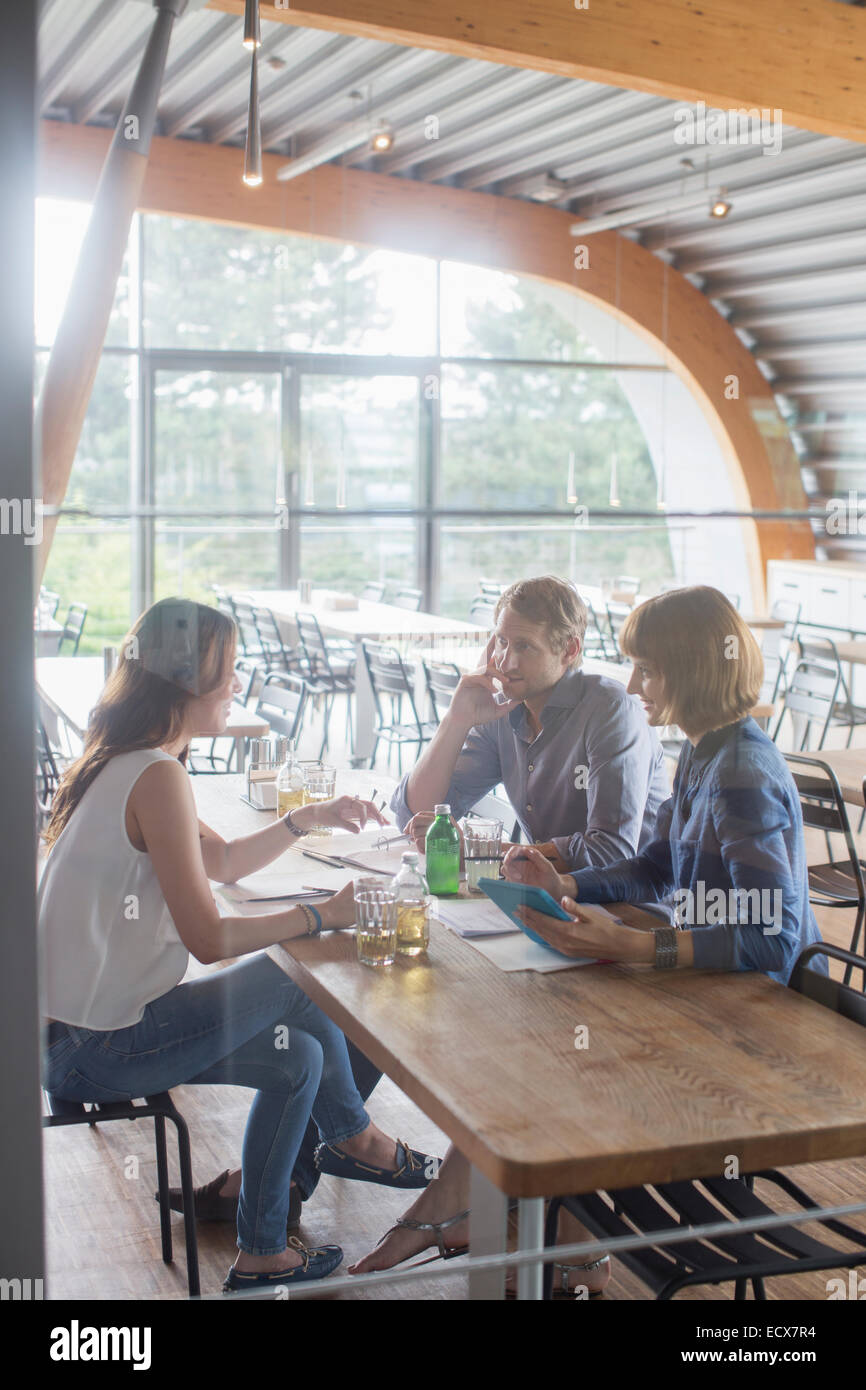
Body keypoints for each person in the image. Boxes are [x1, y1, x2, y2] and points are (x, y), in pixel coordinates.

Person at [351, 586, 825, 1288]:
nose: (636, 684)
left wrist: (642, 948)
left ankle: (547, 1240)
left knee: (555, 1044)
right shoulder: (705, 753)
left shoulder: (742, 771)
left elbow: (772, 939)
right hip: (711, 986)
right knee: (536, 1028)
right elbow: (660, 868)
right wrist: (565, 886)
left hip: (753, 1020)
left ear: (692, 670)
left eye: (650, 669)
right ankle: (538, 1236)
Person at [39, 598, 437, 1293]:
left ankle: (262, 1252)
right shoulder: (157, 776)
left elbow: (218, 866)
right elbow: (211, 939)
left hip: (72, 1041)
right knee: (295, 975)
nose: (237, 684)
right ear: (187, 681)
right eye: (227, 670)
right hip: (100, 1047)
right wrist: (323, 917)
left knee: (301, 1057)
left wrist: (304, 819)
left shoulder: (131, 761)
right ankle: (354, 1137)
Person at [391, 576, 668, 873]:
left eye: (524, 647)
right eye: (502, 641)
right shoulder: (501, 709)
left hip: (627, 911)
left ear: (569, 650)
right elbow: (417, 815)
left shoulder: (611, 710)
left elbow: (610, 853)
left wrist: (479, 851)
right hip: (549, 898)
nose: (506, 662)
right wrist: (456, 721)